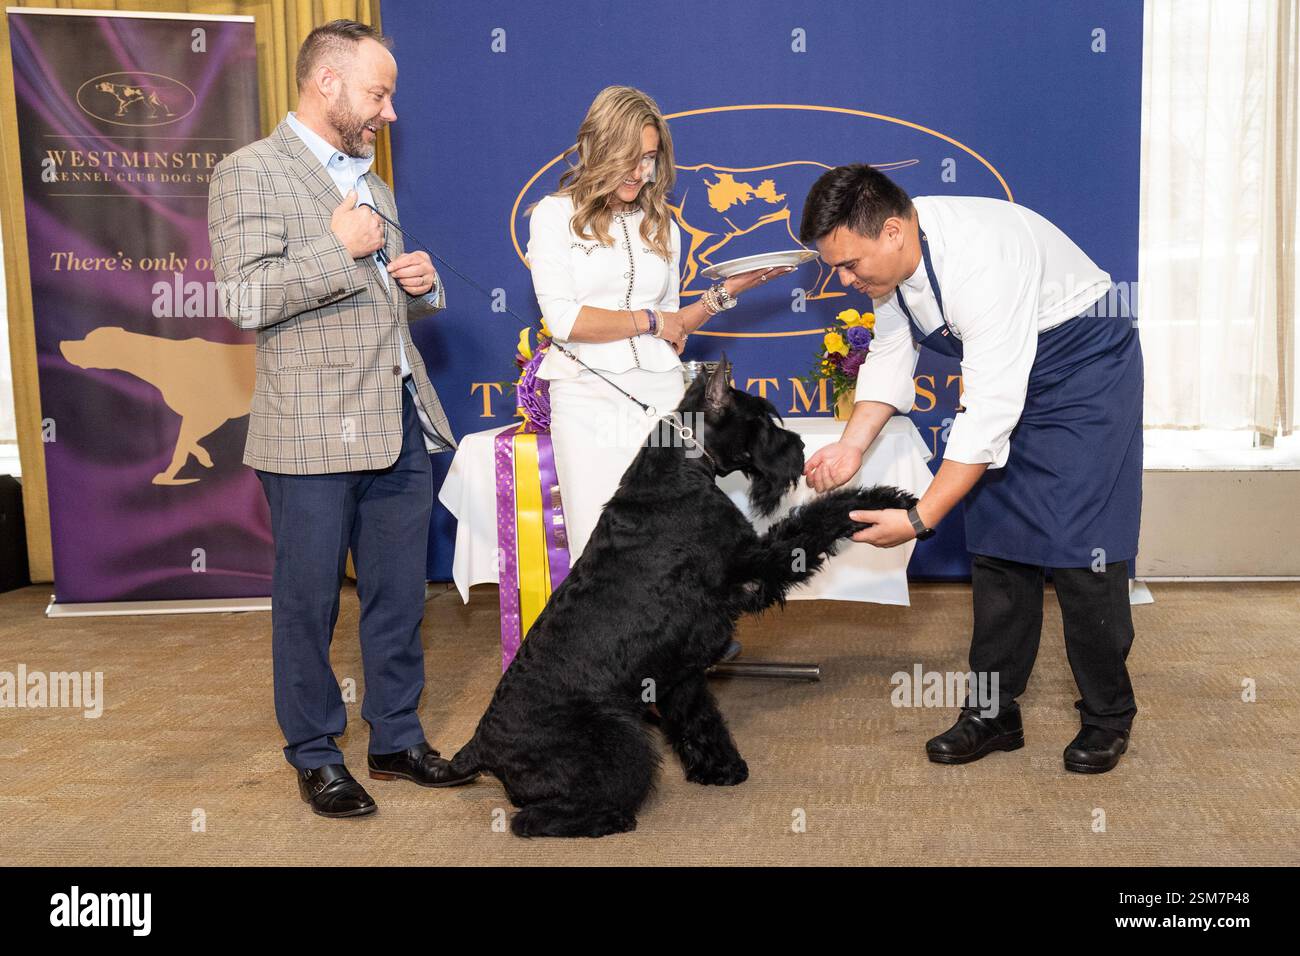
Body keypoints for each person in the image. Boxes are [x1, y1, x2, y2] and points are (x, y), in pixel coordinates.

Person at [207, 20, 475, 818]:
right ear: (326, 84)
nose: (388, 112)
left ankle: (394, 736)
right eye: (378, 93)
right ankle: (316, 752)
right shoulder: (249, 172)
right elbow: (247, 298)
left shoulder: (371, 183)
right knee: (309, 602)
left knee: (399, 596)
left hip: (396, 422)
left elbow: (378, 302)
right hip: (309, 433)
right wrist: (338, 245)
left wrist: (419, 286)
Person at [800, 165, 1143, 774]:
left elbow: (988, 414)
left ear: (893, 232)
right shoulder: (895, 261)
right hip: (1011, 369)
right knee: (998, 546)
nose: (846, 280)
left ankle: (1107, 715)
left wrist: (919, 517)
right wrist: (853, 445)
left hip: (1083, 370)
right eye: (837, 268)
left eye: (851, 265)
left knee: (1081, 550)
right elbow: (889, 350)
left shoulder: (981, 262)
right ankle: (993, 715)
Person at [526, 85, 787, 561]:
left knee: (679, 541)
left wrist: (733, 287)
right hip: (586, 398)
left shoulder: (662, 223)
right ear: (597, 148)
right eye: (629, 156)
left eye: (649, 157)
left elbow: (673, 328)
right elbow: (563, 319)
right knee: (599, 546)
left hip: (664, 397)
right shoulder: (554, 216)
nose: (641, 171)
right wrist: (650, 320)